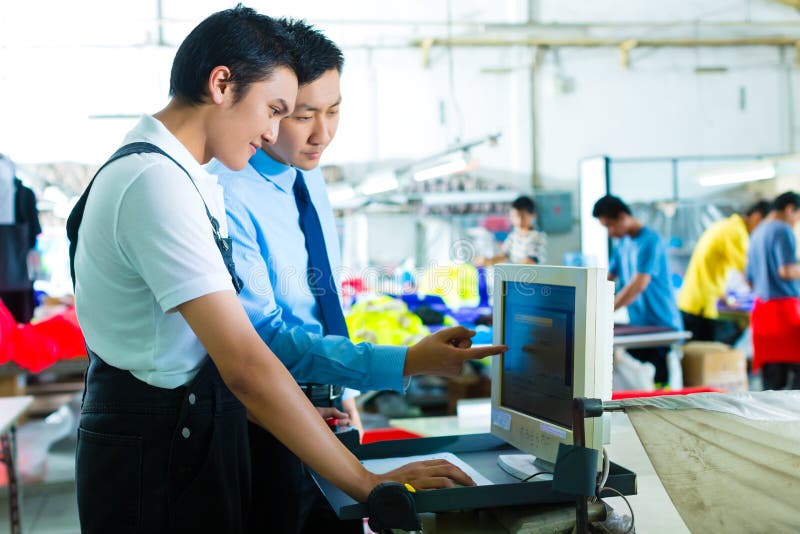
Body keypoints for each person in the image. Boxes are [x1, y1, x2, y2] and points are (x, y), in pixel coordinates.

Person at [68, 7, 503, 532]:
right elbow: (247, 362)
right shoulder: (154, 182)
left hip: (191, 427)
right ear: (222, 84)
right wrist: (368, 483)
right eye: (278, 110)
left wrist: (279, 414)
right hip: (156, 449)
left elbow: (194, 348)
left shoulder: (183, 177)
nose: (274, 131)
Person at [211, 19, 502, 534]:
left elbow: (321, 304)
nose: (322, 133)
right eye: (303, 115)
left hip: (326, 412)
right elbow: (266, 342)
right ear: (269, 107)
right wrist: (407, 360)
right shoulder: (227, 194)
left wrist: (341, 389)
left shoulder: (312, 177)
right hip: (265, 423)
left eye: (334, 109)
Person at [593, 194, 683, 384]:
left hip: (661, 325)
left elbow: (638, 284)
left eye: (610, 225)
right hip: (639, 326)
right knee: (642, 385)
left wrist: (605, 311)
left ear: (623, 216)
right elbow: (608, 279)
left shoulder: (651, 241)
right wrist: (592, 301)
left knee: (660, 389)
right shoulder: (622, 244)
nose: (609, 232)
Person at [678, 200, 770, 343]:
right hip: (701, 303)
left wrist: (725, 298)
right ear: (757, 217)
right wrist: (769, 298)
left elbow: (713, 269)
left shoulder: (727, 226)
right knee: (706, 355)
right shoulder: (736, 233)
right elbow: (749, 274)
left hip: (694, 299)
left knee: (701, 354)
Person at [745, 191, 800, 390]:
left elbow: (749, 280)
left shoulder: (756, 233)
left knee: (771, 387)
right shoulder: (782, 230)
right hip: (784, 313)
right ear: (789, 209)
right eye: (797, 217)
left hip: (762, 313)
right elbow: (785, 270)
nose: (795, 222)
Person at [0, 154, 41, 323]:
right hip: (18, 274)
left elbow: (33, 238)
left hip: (19, 271)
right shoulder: (24, 194)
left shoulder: (24, 195)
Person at [475, 195, 547, 266]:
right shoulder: (513, 235)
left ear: (532, 215)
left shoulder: (538, 236)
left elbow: (530, 261)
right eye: (515, 216)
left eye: (523, 216)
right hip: (515, 274)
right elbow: (503, 255)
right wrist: (488, 261)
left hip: (532, 275)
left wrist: (513, 272)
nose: (519, 220)